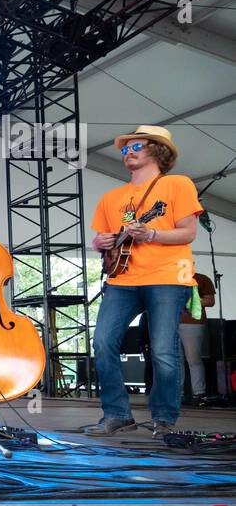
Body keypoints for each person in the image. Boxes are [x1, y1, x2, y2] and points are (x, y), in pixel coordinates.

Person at [86, 125, 203, 438]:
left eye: (136, 146)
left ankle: (164, 418)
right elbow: (100, 239)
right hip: (122, 279)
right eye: (125, 149)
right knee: (102, 342)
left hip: (167, 276)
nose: (128, 152)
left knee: (164, 350)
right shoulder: (112, 197)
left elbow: (188, 232)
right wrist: (101, 244)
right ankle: (116, 414)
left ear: (157, 150)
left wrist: (152, 233)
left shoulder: (177, 184)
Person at [180, 271, 215, 404]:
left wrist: (192, 300)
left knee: (193, 359)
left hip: (192, 322)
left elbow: (211, 300)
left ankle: (199, 393)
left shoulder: (202, 278)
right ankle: (178, 394)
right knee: (175, 361)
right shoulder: (169, 278)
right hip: (170, 323)